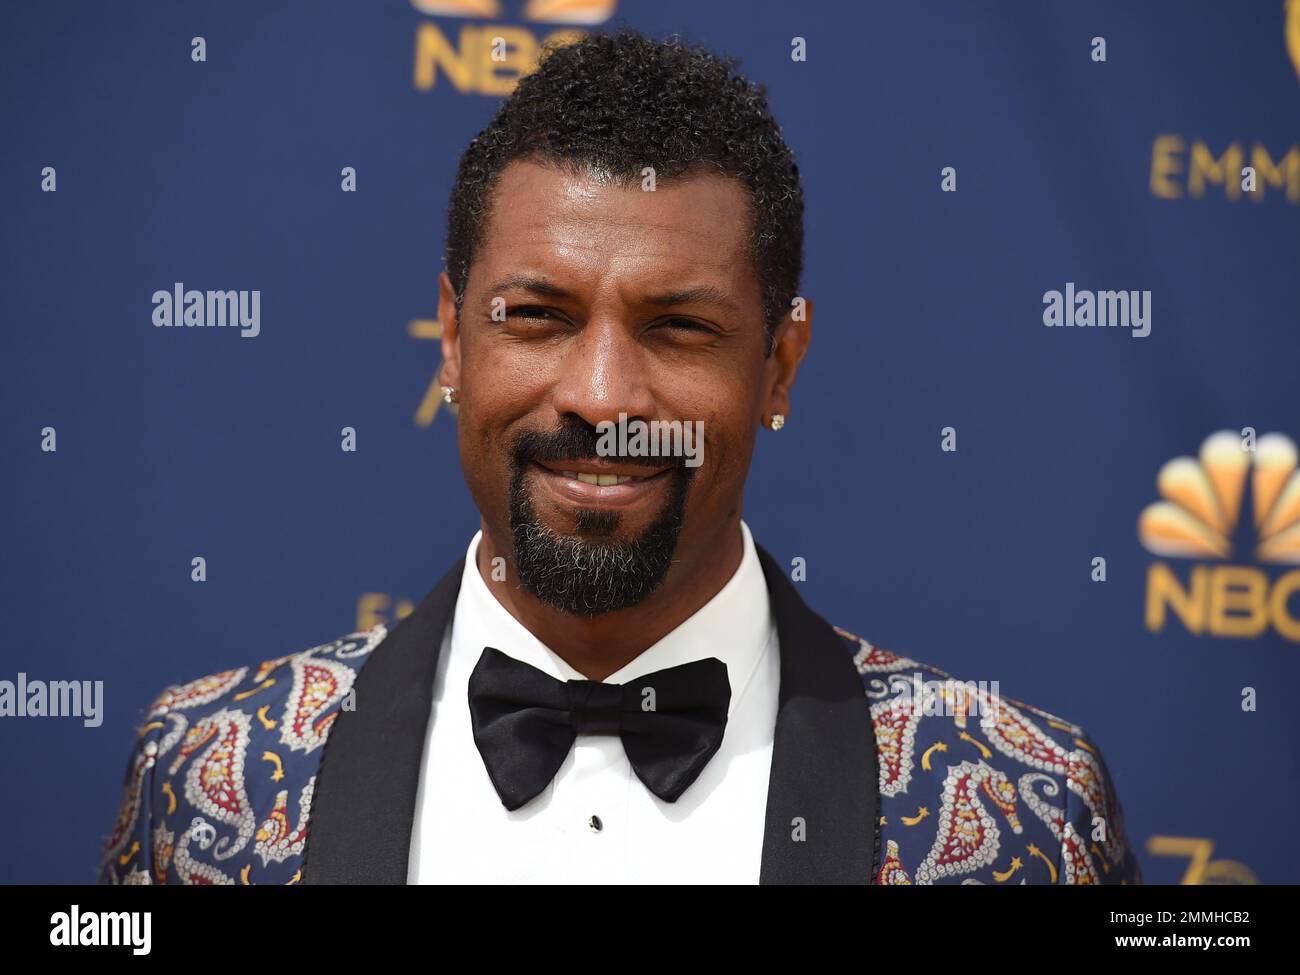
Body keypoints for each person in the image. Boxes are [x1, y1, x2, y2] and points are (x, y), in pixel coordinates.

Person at [98, 28, 1140, 885]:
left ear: (779, 363)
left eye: (679, 327)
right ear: (454, 340)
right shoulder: (204, 779)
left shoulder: (1023, 809)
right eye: (539, 316)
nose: (601, 396)